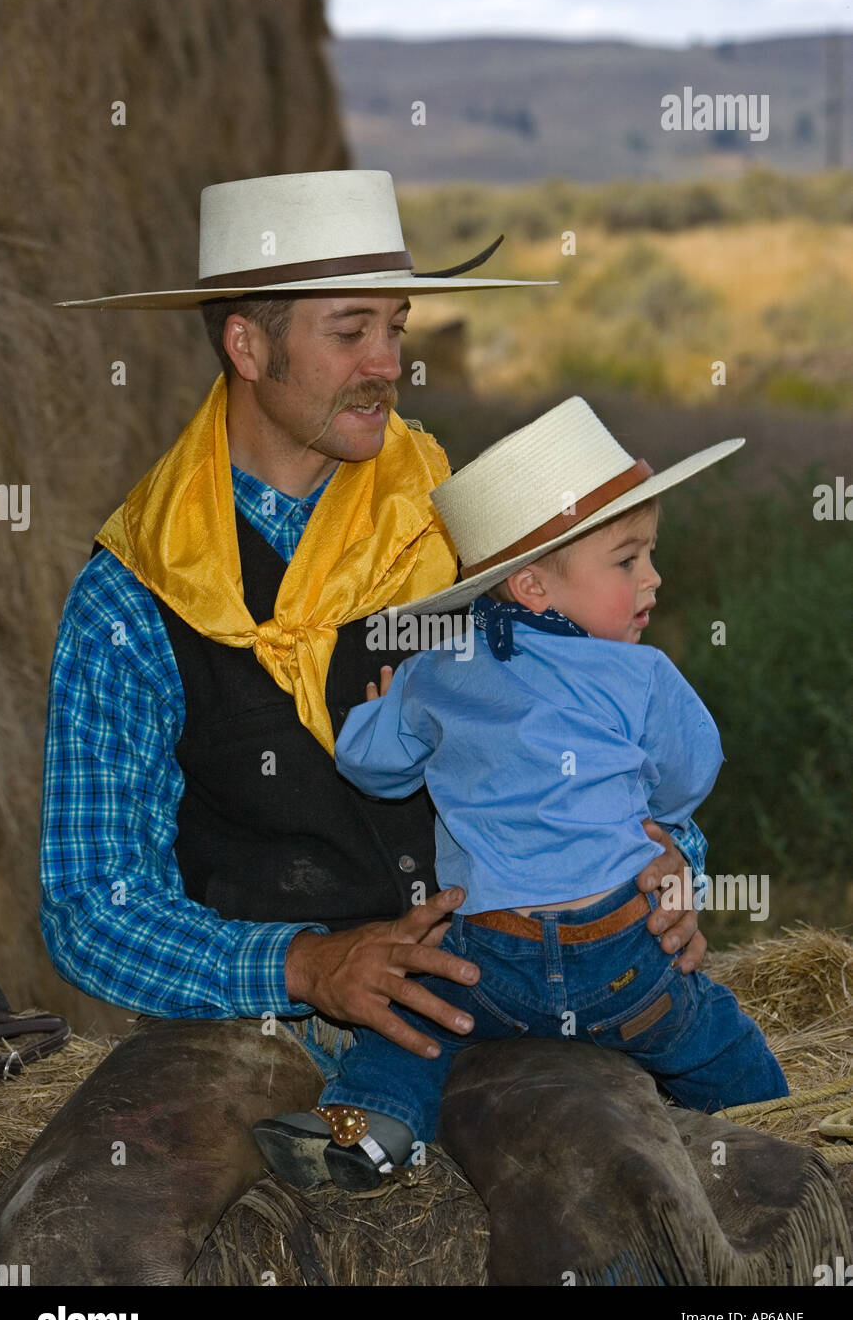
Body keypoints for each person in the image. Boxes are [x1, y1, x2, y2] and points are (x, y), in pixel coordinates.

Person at [0, 172, 707, 1285]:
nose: (388, 361)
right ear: (246, 344)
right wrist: (307, 961)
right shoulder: (135, 594)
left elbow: (633, 769)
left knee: (621, 1210)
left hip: (506, 985)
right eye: (350, 329)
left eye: (396, 326)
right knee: (71, 1240)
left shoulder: (482, 551)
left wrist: (665, 869)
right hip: (246, 1017)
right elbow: (92, 906)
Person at [257, 398, 787, 1191]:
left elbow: (372, 767)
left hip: (488, 957)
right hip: (621, 949)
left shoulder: (439, 667)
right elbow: (690, 774)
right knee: (711, 1032)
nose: (654, 579)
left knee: (412, 1027)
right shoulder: (643, 675)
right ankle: (781, 1132)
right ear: (534, 584)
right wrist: (656, 820)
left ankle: (371, 1126)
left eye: (649, 557)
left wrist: (379, 705)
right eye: (628, 560)